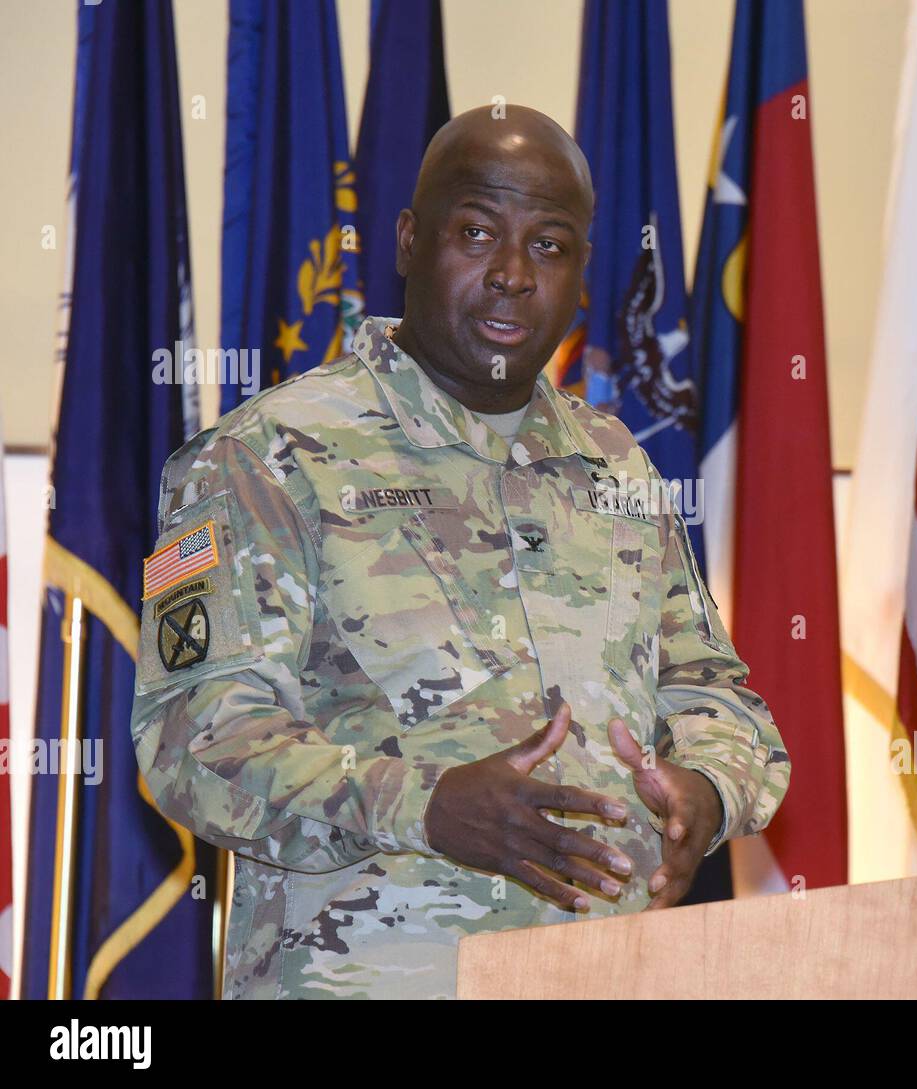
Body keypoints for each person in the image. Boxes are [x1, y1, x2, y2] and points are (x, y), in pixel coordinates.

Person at [130, 104, 789, 999]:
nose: (513, 275)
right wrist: (424, 807)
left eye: (550, 246)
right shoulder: (263, 458)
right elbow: (190, 742)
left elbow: (718, 695)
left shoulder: (617, 466)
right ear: (408, 241)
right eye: (477, 232)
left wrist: (707, 791)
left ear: (583, 275)